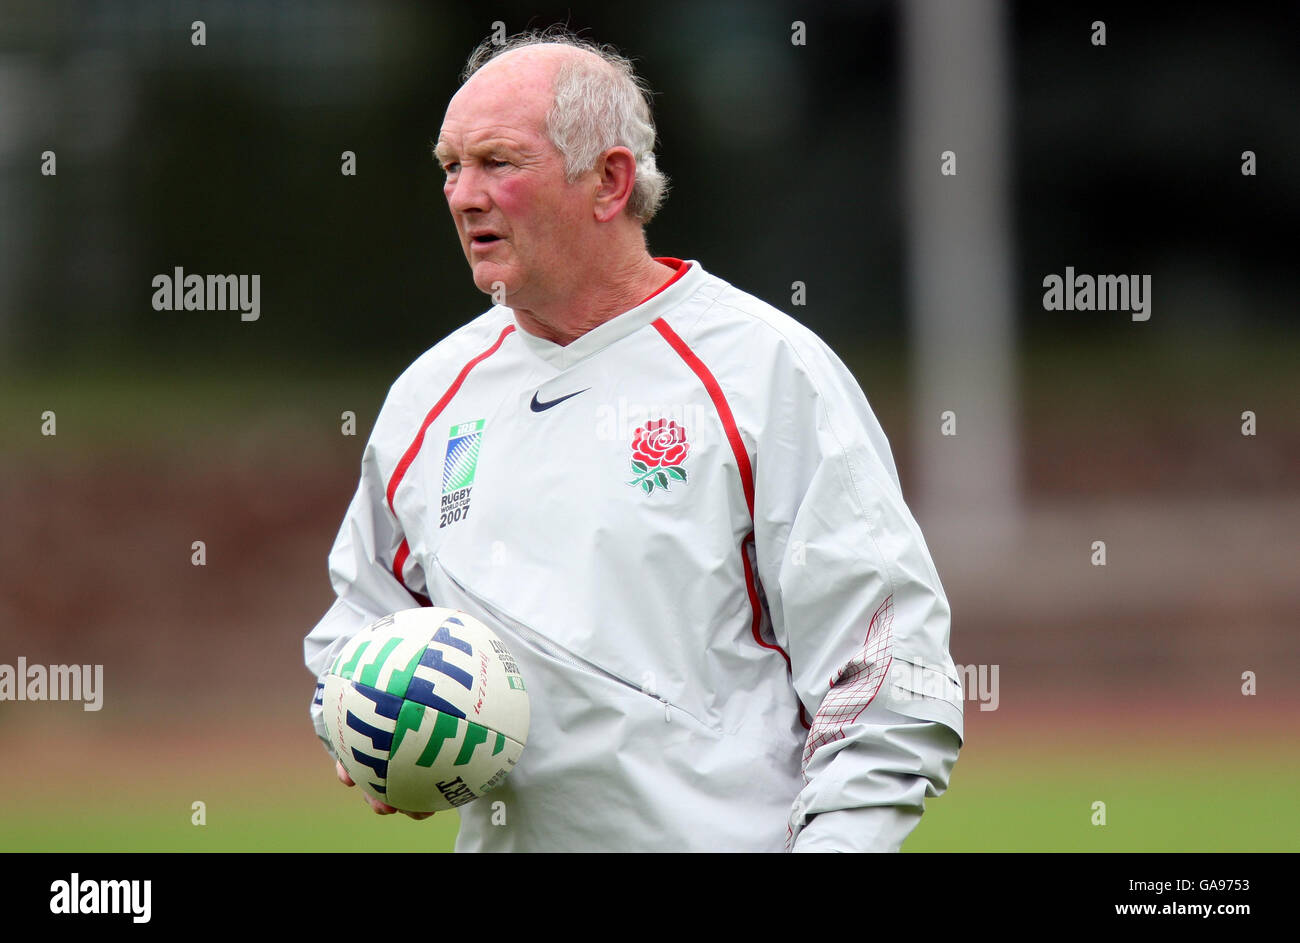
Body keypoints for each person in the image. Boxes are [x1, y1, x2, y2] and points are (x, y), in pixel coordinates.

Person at [304, 28, 963, 852]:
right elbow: (361, 621)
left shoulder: (766, 373)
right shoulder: (430, 396)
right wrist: (357, 719)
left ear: (610, 181)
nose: (464, 194)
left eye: (499, 163)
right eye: (450, 166)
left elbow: (883, 668)